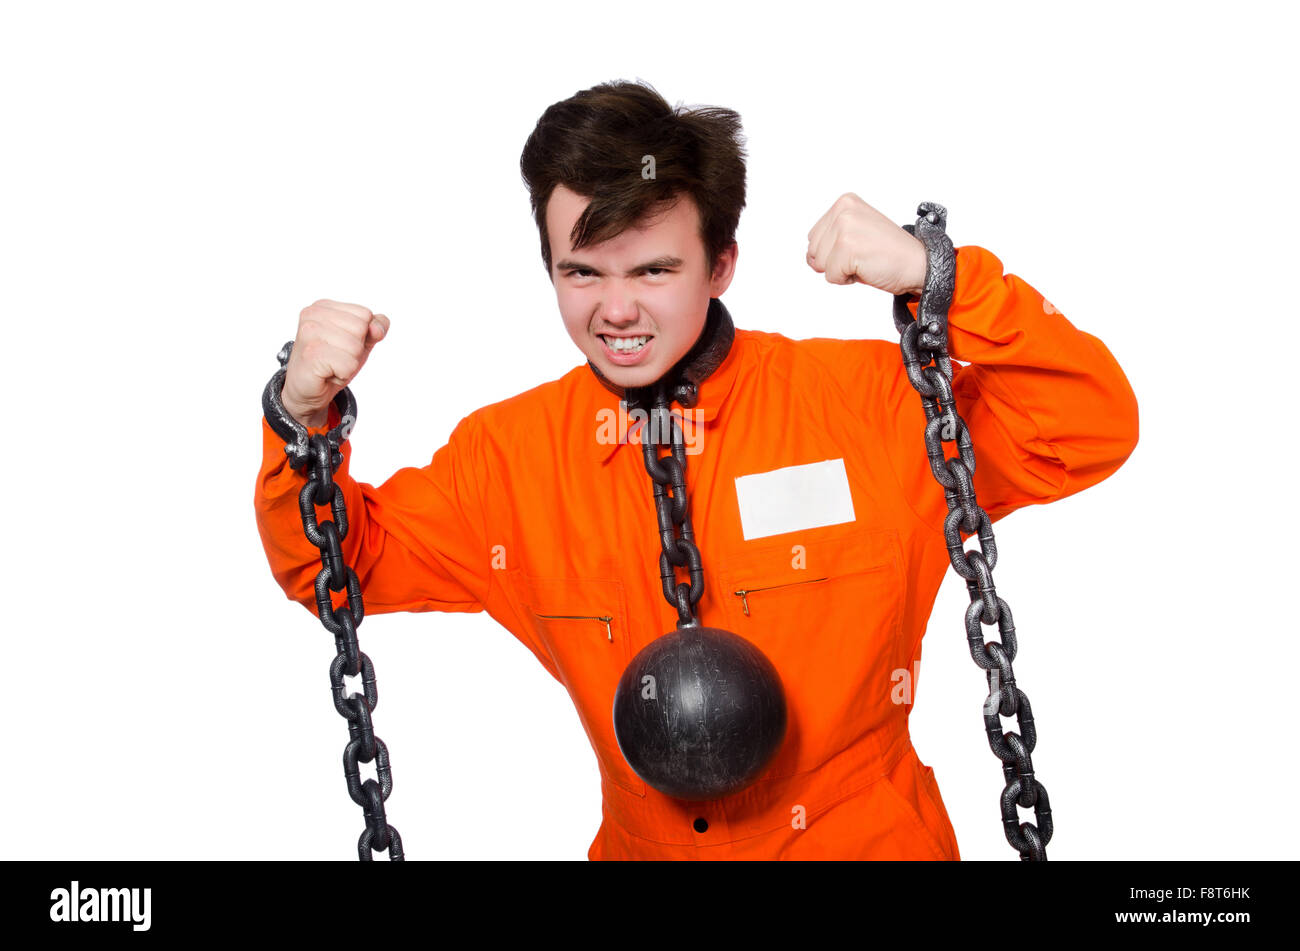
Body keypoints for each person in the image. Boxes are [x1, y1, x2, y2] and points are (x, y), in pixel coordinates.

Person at [254, 79, 1139, 859]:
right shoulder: (508, 460)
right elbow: (336, 566)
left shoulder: (867, 406)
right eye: (582, 272)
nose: (617, 308)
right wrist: (300, 419)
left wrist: (939, 276)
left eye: (654, 268)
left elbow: (1087, 425)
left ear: (721, 265)